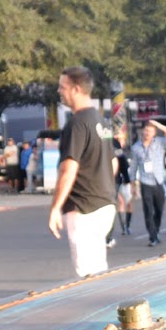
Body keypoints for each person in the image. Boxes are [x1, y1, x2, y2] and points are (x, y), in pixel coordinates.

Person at [45, 66, 118, 277]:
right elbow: (113, 164)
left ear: (76, 89)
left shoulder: (76, 124)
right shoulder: (101, 122)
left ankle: (101, 308)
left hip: (84, 208)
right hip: (105, 204)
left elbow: (69, 168)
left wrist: (55, 208)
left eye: (62, 87)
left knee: (87, 274)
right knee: (99, 268)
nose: (59, 91)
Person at [129, 119, 166, 246]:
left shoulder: (160, 143)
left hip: (158, 181)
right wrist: (133, 184)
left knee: (159, 209)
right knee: (148, 210)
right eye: (145, 130)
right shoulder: (136, 148)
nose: (147, 133)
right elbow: (134, 166)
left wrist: (158, 124)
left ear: (154, 133)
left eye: (150, 131)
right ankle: (152, 237)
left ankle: (155, 231)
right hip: (145, 182)